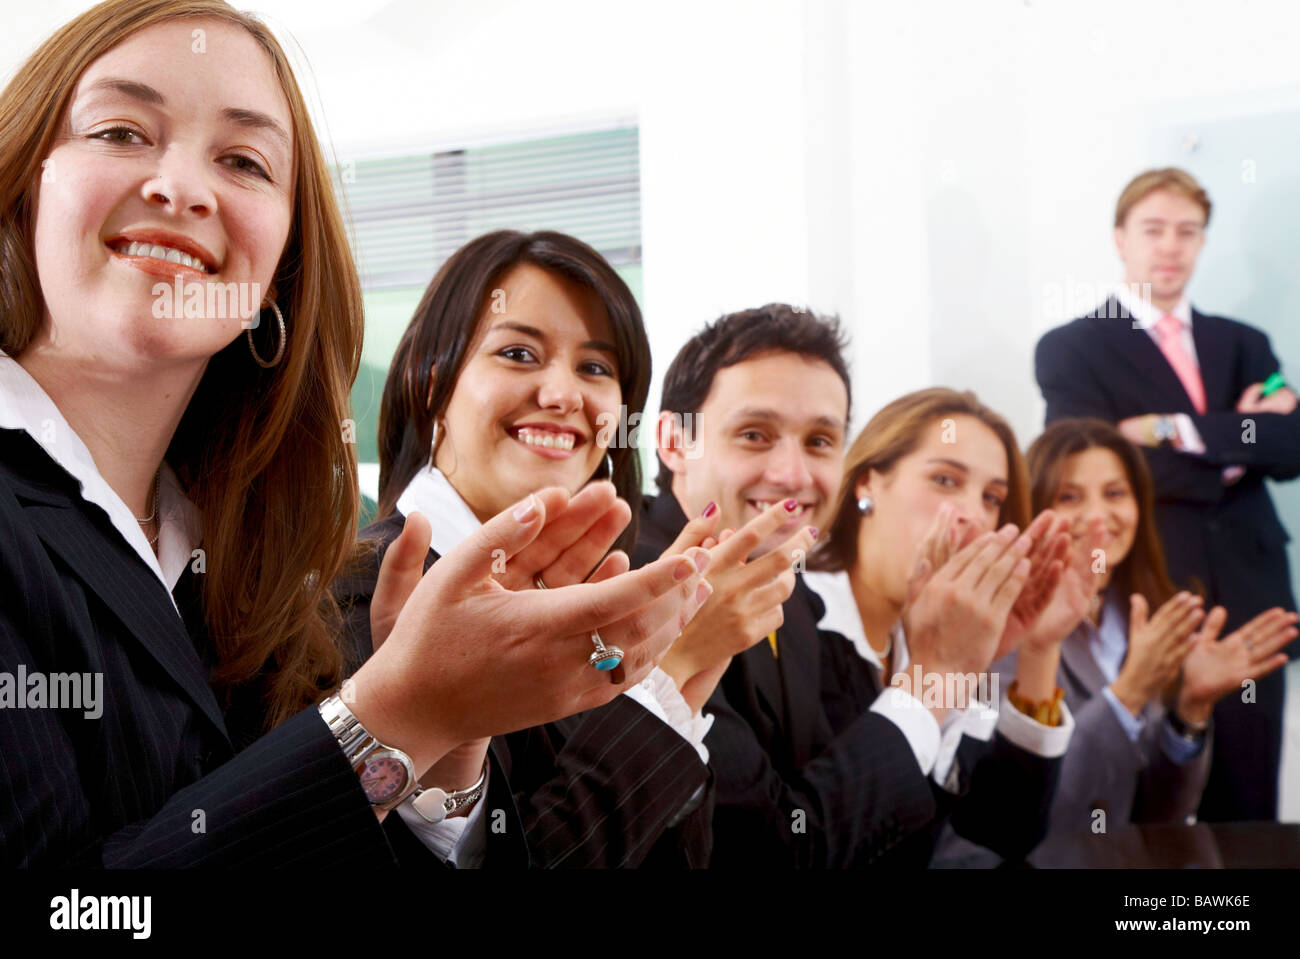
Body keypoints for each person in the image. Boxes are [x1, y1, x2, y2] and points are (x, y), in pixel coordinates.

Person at [0, 0, 710, 867]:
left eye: (242, 160)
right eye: (119, 131)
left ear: (280, 273)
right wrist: (397, 717)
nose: (182, 187)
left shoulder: (259, 561)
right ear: (24, 185)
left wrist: (447, 753)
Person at [334, 230, 811, 866]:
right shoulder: (349, 599)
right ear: (431, 381)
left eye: (595, 367)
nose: (564, 396)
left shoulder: (611, 593)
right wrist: (661, 688)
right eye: (518, 353)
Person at [635, 306, 1077, 867]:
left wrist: (1018, 653)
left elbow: (944, 830)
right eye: (754, 434)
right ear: (674, 442)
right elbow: (779, 851)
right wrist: (935, 678)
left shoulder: (786, 596)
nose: (792, 474)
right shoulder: (643, 583)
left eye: (820, 441)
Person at [1035, 167, 1300, 821]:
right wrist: (1238, 451)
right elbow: (1093, 472)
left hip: (1250, 594)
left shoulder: (1242, 342)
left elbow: (1290, 448)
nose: (1171, 246)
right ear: (1120, 239)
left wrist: (1171, 431)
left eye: (1188, 232)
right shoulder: (1073, 347)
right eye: (1153, 229)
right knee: (1150, 790)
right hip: (1151, 592)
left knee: (1249, 806)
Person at [943, 419, 1296, 865]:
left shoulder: (1145, 615)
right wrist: (1125, 695)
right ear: (1032, 510)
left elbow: (1157, 818)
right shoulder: (1004, 629)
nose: (1097, 517)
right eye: (1068, 496)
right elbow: (1030, 818)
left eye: (1115, 494)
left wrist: (1189, 713)